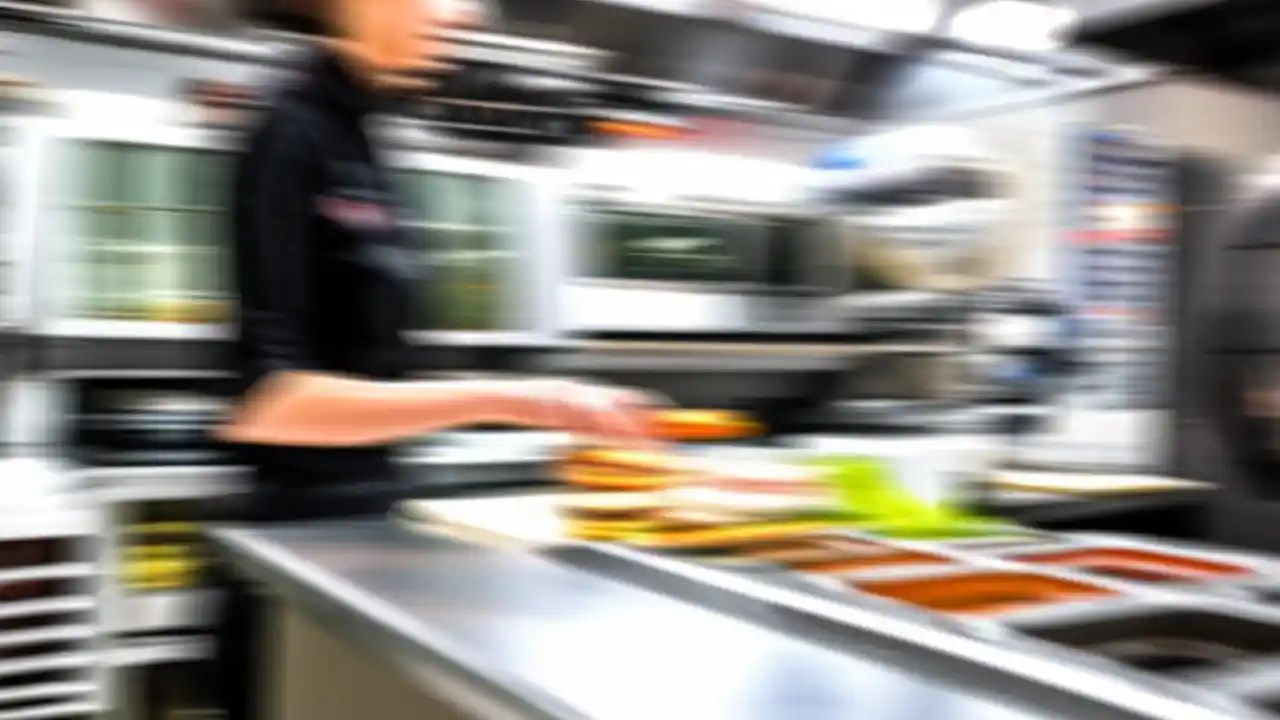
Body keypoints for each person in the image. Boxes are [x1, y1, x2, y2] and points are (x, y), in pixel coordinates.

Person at [214, 0, 663, 716]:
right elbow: (272, 405)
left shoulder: (362, 136)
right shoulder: (288, 130)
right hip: (298, 562)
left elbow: (370, 362)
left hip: (370, 535)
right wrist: (522, 400)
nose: (465, 16)